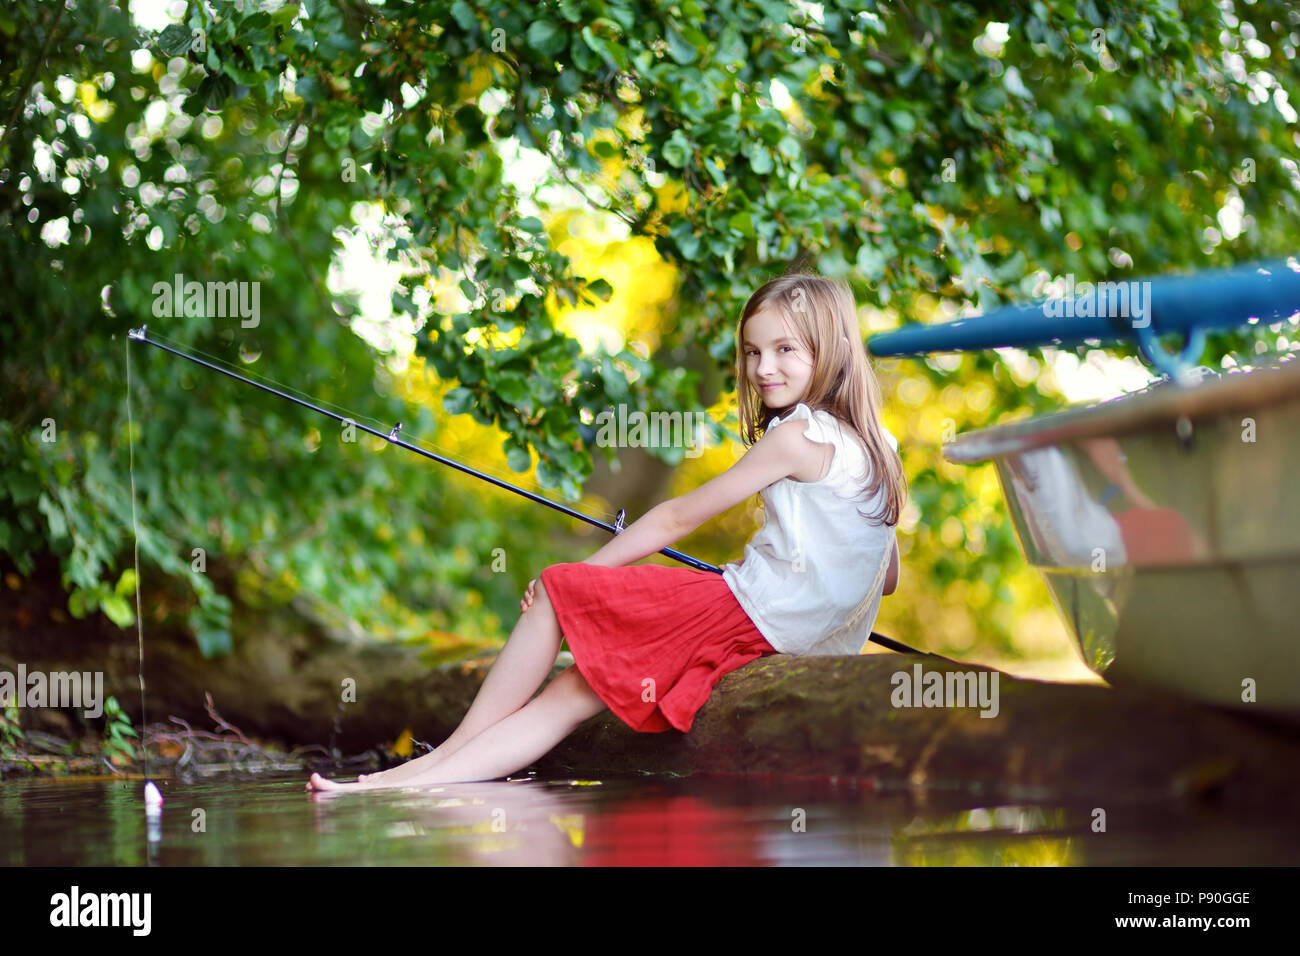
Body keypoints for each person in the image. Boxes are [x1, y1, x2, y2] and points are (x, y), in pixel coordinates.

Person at [307, 273, 906, 792]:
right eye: (752, 352)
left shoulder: (796, 436)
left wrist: (587, 575)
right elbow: (886, 580)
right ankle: (421, 777)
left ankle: (424, 768)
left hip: (750, 614)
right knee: (574, 690)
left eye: (783, 349)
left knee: (554, 589)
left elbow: (676, 518)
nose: (762, 368)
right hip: (801, 636)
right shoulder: (881, 450)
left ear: (830, 349)